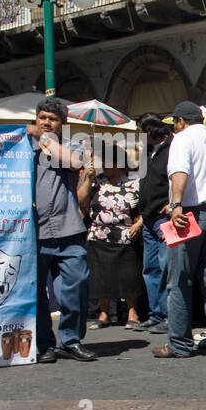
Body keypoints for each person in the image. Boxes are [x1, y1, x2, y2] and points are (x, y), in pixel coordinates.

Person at [153, 100, 206, 361]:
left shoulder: (182, 138)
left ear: (180, 121)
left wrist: (176, 204)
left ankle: (179, 344)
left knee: (180, 280)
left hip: (191, 214)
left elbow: (179, 171)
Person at [29, 96, 96, 363]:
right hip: (34, 232)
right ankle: (45, 344)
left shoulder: (73, 145)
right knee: (37, 294)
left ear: (62, 124)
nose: (46, 122)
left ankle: (70, 340)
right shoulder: (23, 146)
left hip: (69, 230)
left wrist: (44, 139)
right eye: (42, 117)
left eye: (52, 119)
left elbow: (72, 163)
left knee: (76, 285)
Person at [86, 140, 143, 329]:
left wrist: (140, 224)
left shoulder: (134, 183)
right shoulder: (97, 182)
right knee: (101, 276)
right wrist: (87, 178)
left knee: (128, 275)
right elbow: (82, 202)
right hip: (99, 234)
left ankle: (132, 313)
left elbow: (145, 208)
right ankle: (104, 314)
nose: (105, 166)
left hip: (125, 234)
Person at [137, 116, 172, 332]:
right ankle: (156, 314)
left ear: (150, 130)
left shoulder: (172, 148)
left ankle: (170, 316)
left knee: (165, 266)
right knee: (150, 268)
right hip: (148, 217)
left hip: (163, 217)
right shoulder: (145, 151)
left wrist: (171, 203)